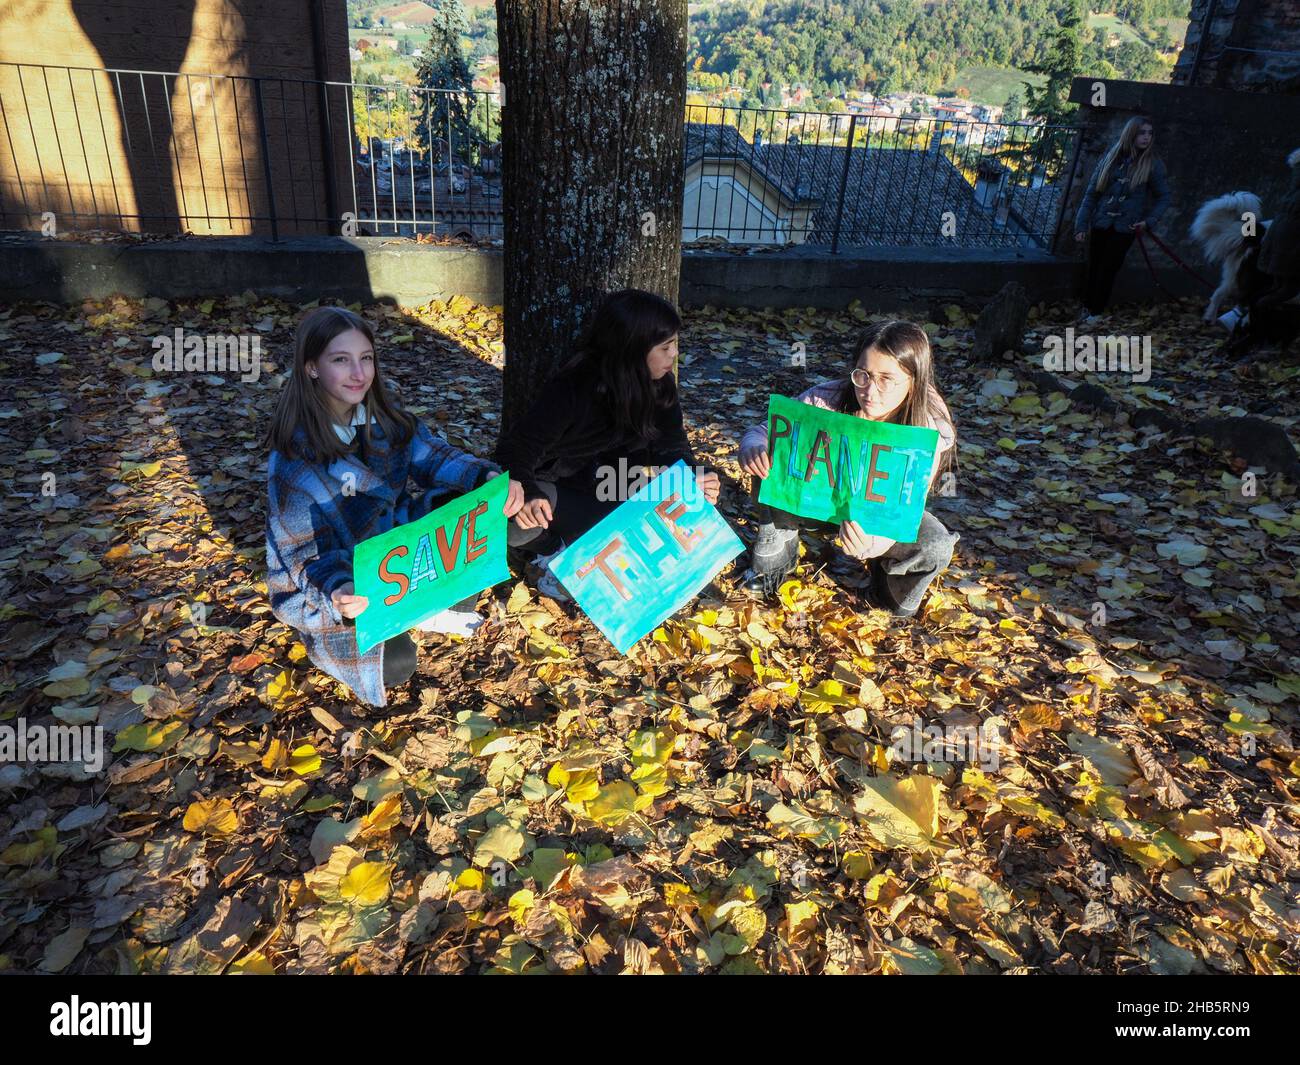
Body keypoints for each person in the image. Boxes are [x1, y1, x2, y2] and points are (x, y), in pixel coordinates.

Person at [265, 306, 524, 708]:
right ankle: (415, 609)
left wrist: (485, 479)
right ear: (311, 368)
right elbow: (305, 557)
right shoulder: (295, 460)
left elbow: (434, 456)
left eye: (366, 358)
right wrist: (338, 591)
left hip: (395, 545)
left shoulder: (381, 418)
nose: (359, 373)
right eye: (341, 360)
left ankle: (424, 604)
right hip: (342, 577)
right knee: (398, 665)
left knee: (489, 510)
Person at [494, 288, 720, 601]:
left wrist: (691, 475)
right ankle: (553, 553)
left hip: (621, 489)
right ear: (635, 349)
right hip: (563, 494)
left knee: (686, 499)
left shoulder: (660, 385)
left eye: (674, 345)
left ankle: (598, 550)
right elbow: (516, 449)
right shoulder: (574, 387)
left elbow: (672, 443)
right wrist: (529, 494)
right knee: (506, 515)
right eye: (666, 347)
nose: (674, 355)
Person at [736, 319, 958, 617]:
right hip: (819, 502)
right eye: (863, 375)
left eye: (886, 379)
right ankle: (774, 565)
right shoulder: (826, 398)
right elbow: (767, 431)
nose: (870, 390)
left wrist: (870, 546)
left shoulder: (928, 429)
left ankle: (888, 590)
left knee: (936, 545)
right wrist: (754, 446)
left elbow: (903, 509)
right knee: (771, 469)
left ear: (914, 380)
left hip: (877, 520)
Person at [1073, 115, 1171, 324]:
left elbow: (1164, 197)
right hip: (1101, 222)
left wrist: (1148, 221)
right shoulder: (1111, 158)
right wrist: (1081, 225)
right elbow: (1092, 194)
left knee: (1108, 268)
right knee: (1094, 266)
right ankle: (1087, 307)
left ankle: (1096, 312)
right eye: (1142, 133)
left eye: (1150, 133)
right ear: (1131, 134)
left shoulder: (1152, 164)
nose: (1147, 137)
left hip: (1125, 226)